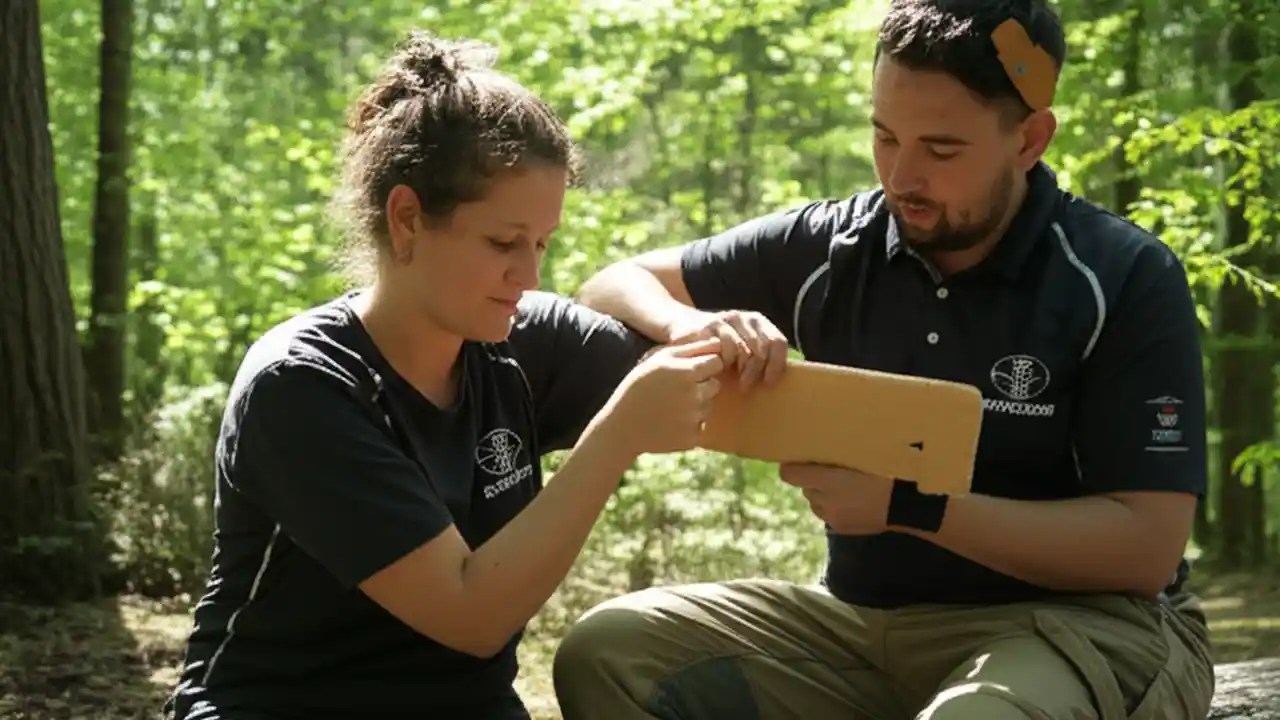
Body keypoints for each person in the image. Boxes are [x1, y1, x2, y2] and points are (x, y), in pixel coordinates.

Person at [554, 0, 1215, 718]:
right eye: (884, 136)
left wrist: (910, 507)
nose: (902, 176)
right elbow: (611, 285)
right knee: (609, 651)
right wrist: (695, 324)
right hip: (861, 633)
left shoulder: (1122, 276)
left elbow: (1146, 550)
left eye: (941, 148)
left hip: (1083, 629)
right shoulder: (833, 245)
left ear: (1030, 141)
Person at [162, 31, 726, 720]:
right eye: (502, 243)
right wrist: (617, 437)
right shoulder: (302, 387)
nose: (530, 275)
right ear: (406, 220)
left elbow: (672, 367)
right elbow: (469, 614)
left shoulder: (521, 337)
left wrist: (694, 330)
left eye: (542, 243)